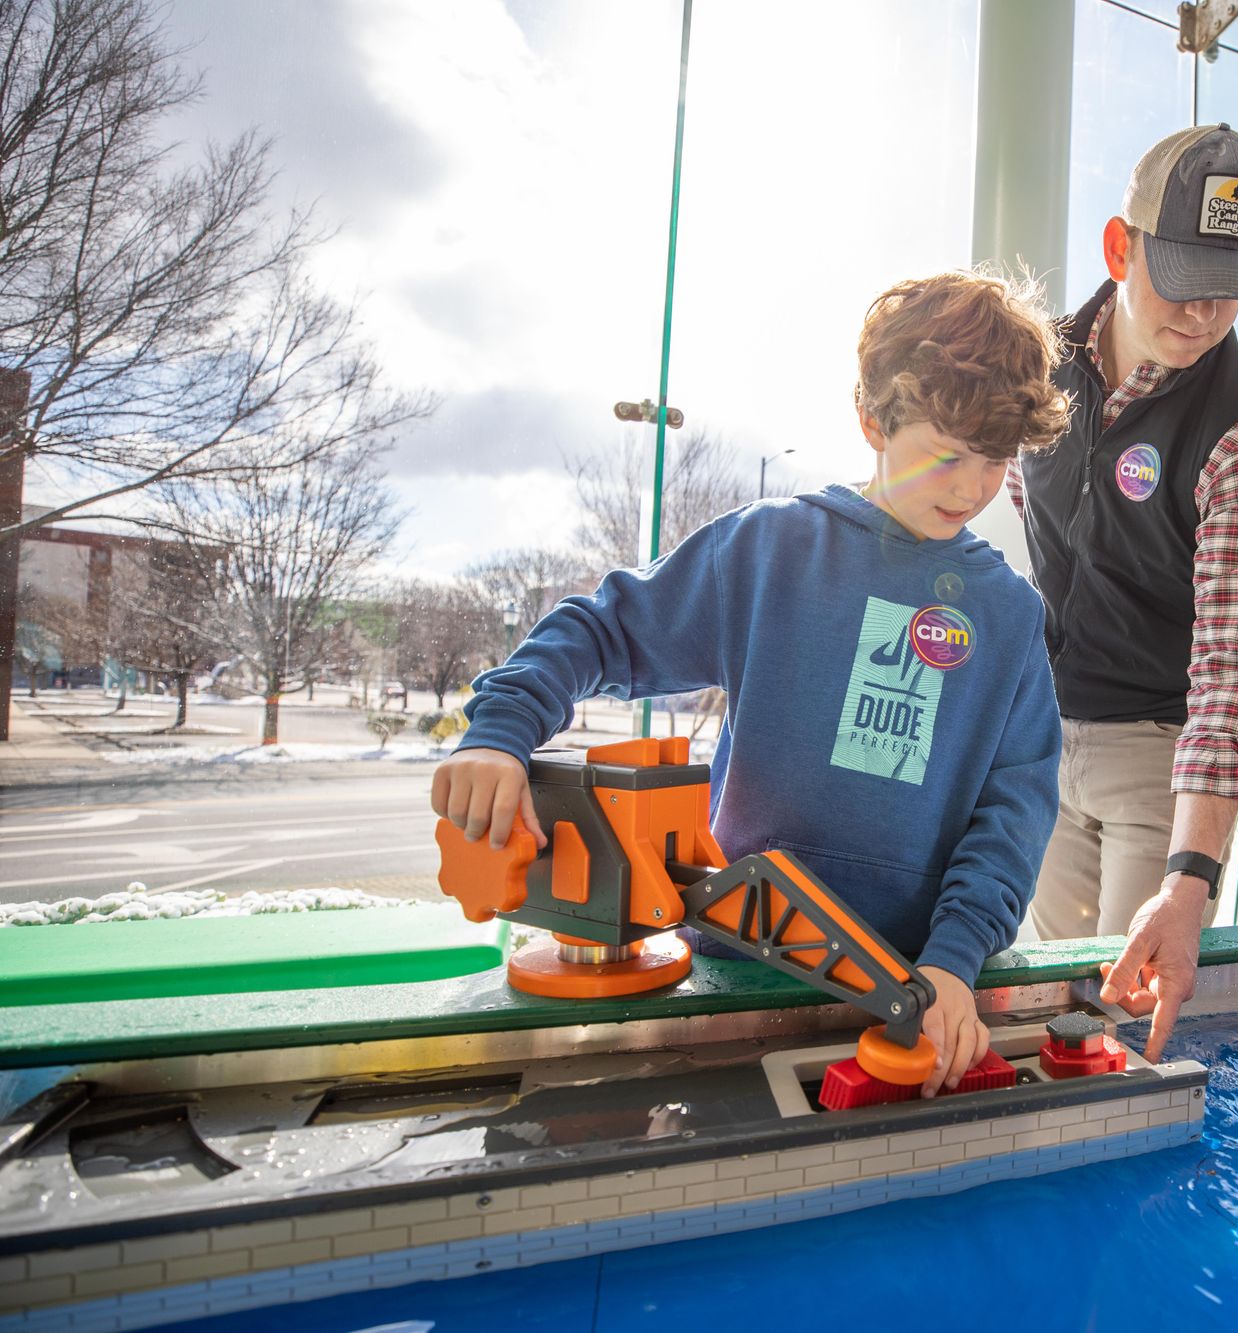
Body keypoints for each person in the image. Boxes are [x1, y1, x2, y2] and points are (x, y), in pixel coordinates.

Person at [433, 270, 1069, 1097]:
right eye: (945, 452)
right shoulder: (769, 553)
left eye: (994, 459)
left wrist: (953, 961)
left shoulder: (1011, 614)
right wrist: (499, 732)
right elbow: (601, 626)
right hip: (739, 978)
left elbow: (1012, 816)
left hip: (920, 995)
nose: (971, 487)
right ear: (873, 420)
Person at [1011, 124, 1238, 1062]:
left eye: (1235, 287)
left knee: (1129, 1027)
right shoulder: (1034, 369)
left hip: (1166, 755)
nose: (1208, 311)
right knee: (1044, 1007)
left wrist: (1190, 877)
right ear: (1118, 247)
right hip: (1046, 739)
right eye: (1184, 275)